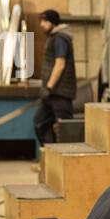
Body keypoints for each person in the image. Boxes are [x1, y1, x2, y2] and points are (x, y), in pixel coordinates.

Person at [35, 9, 77, 145]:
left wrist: (48, 87)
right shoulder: (53, 37)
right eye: (41, 21)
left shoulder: (60, 38)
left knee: (65, 131)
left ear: (53, 22)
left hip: (60, 93)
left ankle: (66, 163)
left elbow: (60, 64)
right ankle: (50, 158)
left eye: (45, 21)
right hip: (52, 94)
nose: (42, 24)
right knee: (40, 122)